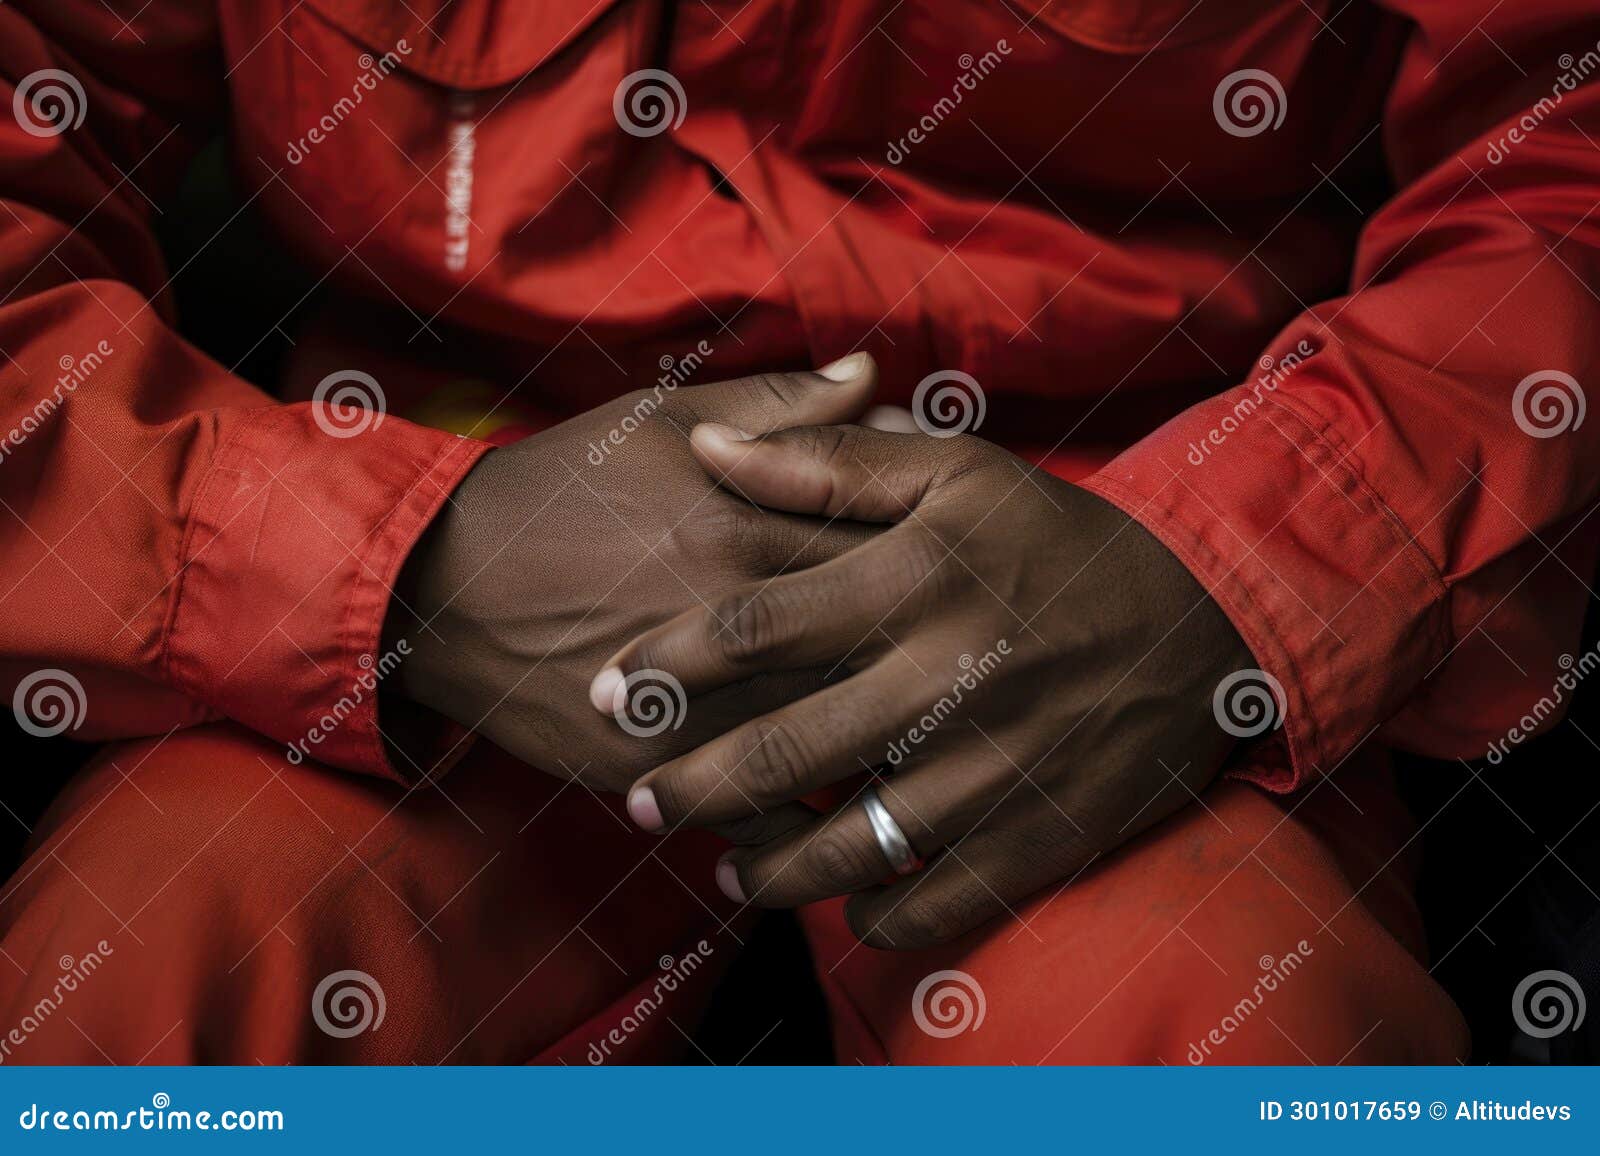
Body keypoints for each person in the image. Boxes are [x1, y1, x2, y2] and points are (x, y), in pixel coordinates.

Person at [0, 0, 1594, 1064]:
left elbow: (1559, 173)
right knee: (146, 973)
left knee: (1223, 1027)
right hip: (412, 558)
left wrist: (1226, 579)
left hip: (1120, 600)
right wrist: (413, 559)